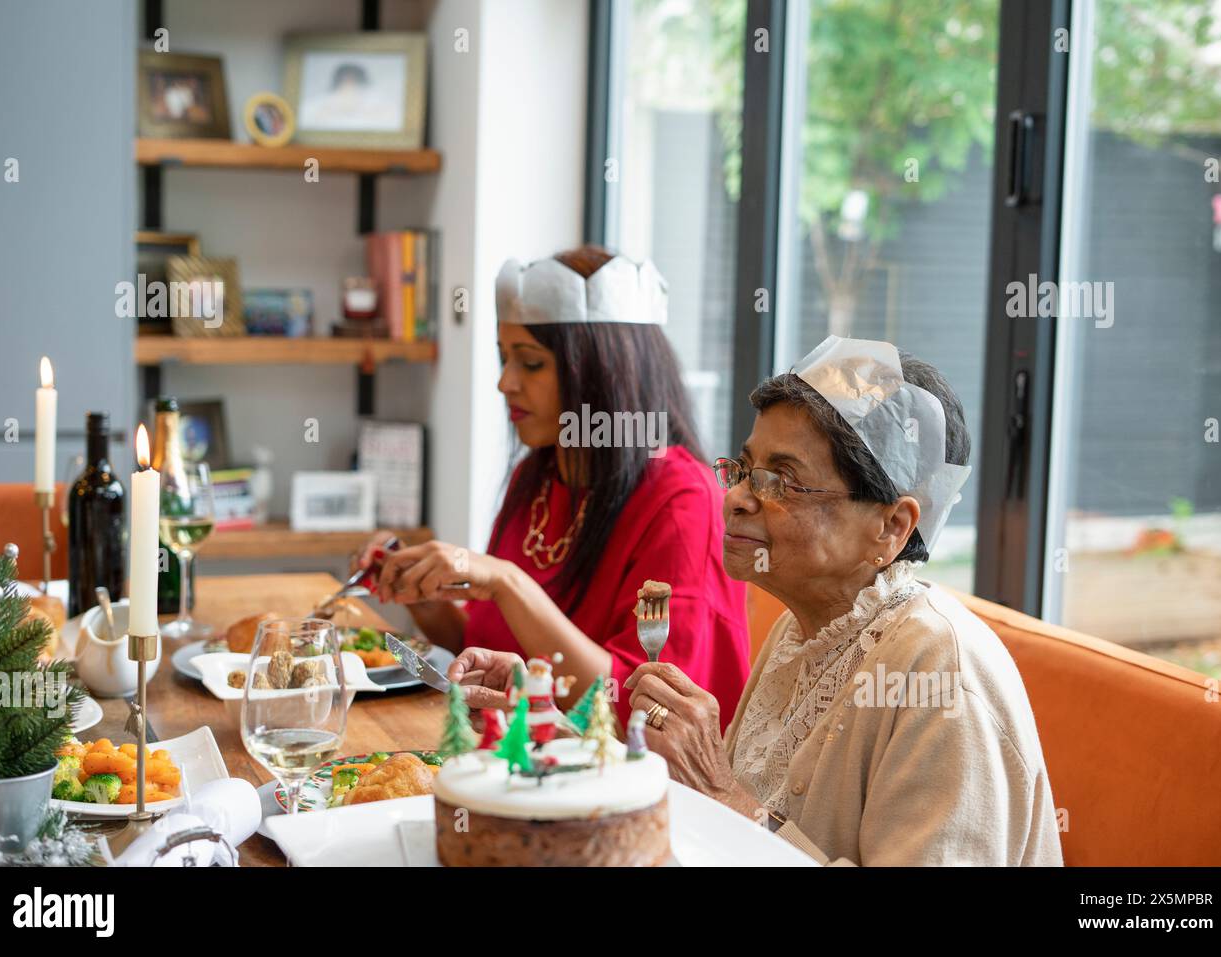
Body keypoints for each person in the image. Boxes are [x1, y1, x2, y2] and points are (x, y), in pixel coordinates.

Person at [449, 334, 1064, 866]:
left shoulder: (941, 675)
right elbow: (708, 817)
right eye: (743, 470)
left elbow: (728, 808)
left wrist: (722, 793)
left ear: (891, 527)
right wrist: (543, 717)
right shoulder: (804, 631)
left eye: (783, 481)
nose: (737, 498)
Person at [355, 245, 750, 728]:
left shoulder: (682, 501)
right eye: (504, 358)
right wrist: (425, 594)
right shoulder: (537, 476)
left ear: (605, 374)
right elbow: (497, 661)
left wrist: (505, 581)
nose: (505, 383)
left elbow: (645, 709)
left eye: (531, 363)